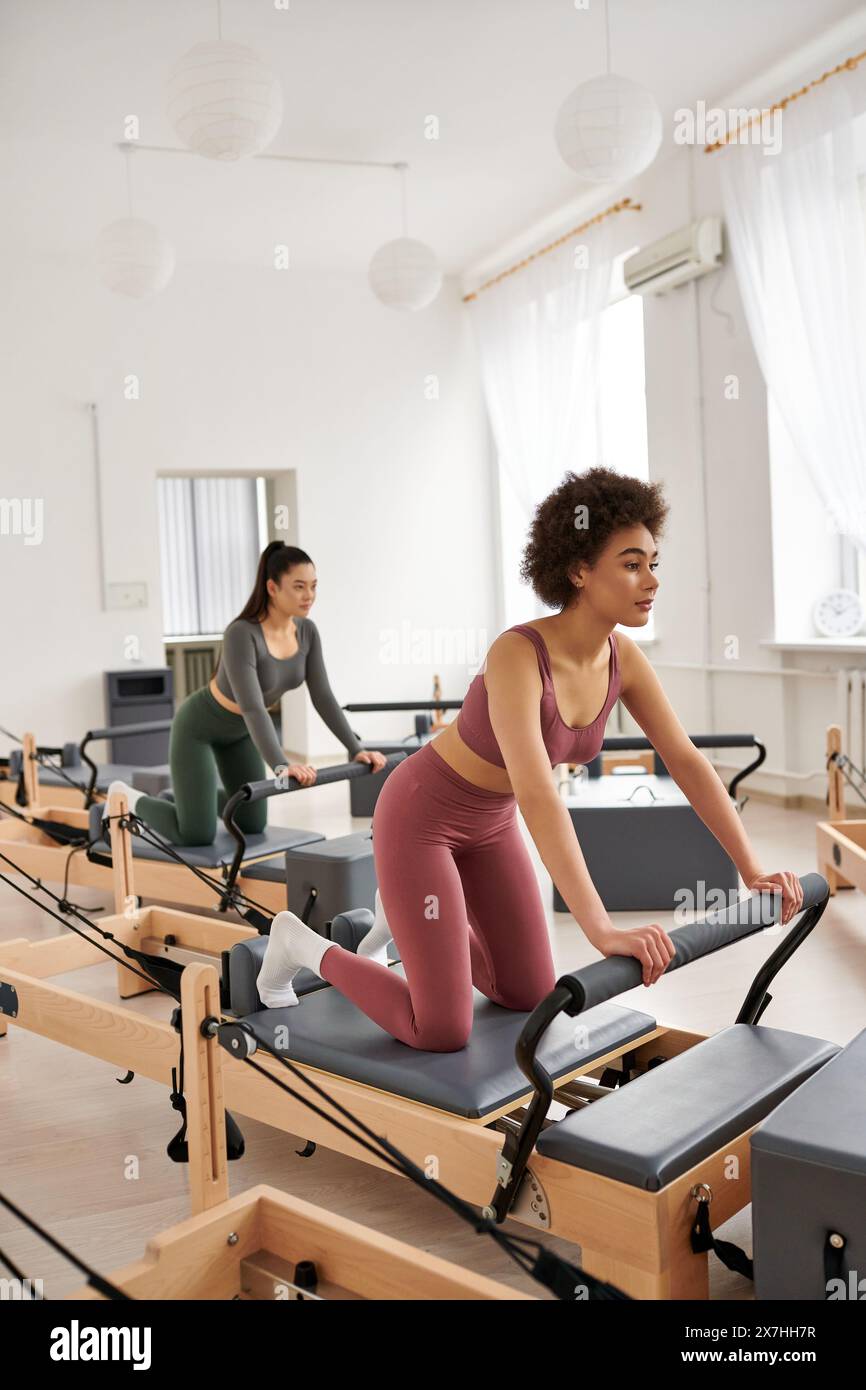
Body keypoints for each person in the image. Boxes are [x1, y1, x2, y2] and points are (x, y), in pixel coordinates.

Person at [256, 468, 804, 1050]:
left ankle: (408, 919)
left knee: (526, 992)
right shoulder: (518, 654)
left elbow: (688, 762)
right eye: (631, 563)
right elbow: (539, 794)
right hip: (420, 817)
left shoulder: (624, 659)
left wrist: (752, 870)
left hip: (490, 825)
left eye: (653, 563)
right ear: (578, 571)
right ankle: (300, 945)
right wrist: (599, 928)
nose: (651, 580)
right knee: (440, 1028)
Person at [106, 542, 386, 845]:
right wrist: (281, 765)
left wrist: (355, 747)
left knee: (253, 823)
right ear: (272, 588)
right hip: (199, 729)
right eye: (299, 586)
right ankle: (127, 796)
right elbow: (253, 707)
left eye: (314, 586)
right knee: (195, 834)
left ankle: (189, 796)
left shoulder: (307, 632)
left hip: (241, 734)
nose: (309, 596)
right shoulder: (242, 633)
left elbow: (323, 696)